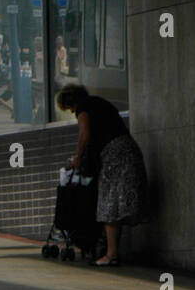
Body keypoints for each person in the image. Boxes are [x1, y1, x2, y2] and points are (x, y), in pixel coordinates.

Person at [55, 85, 147, 266]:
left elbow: (85, 134)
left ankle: (111, 255)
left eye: (70, 108)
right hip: (129, 150)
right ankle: (112, 252)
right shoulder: (99, 103)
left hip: (114, 155)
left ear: (71, 102)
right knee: (117, 203)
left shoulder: (84, 107)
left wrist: (77, 158)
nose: (73, 112)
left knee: (108, 203)